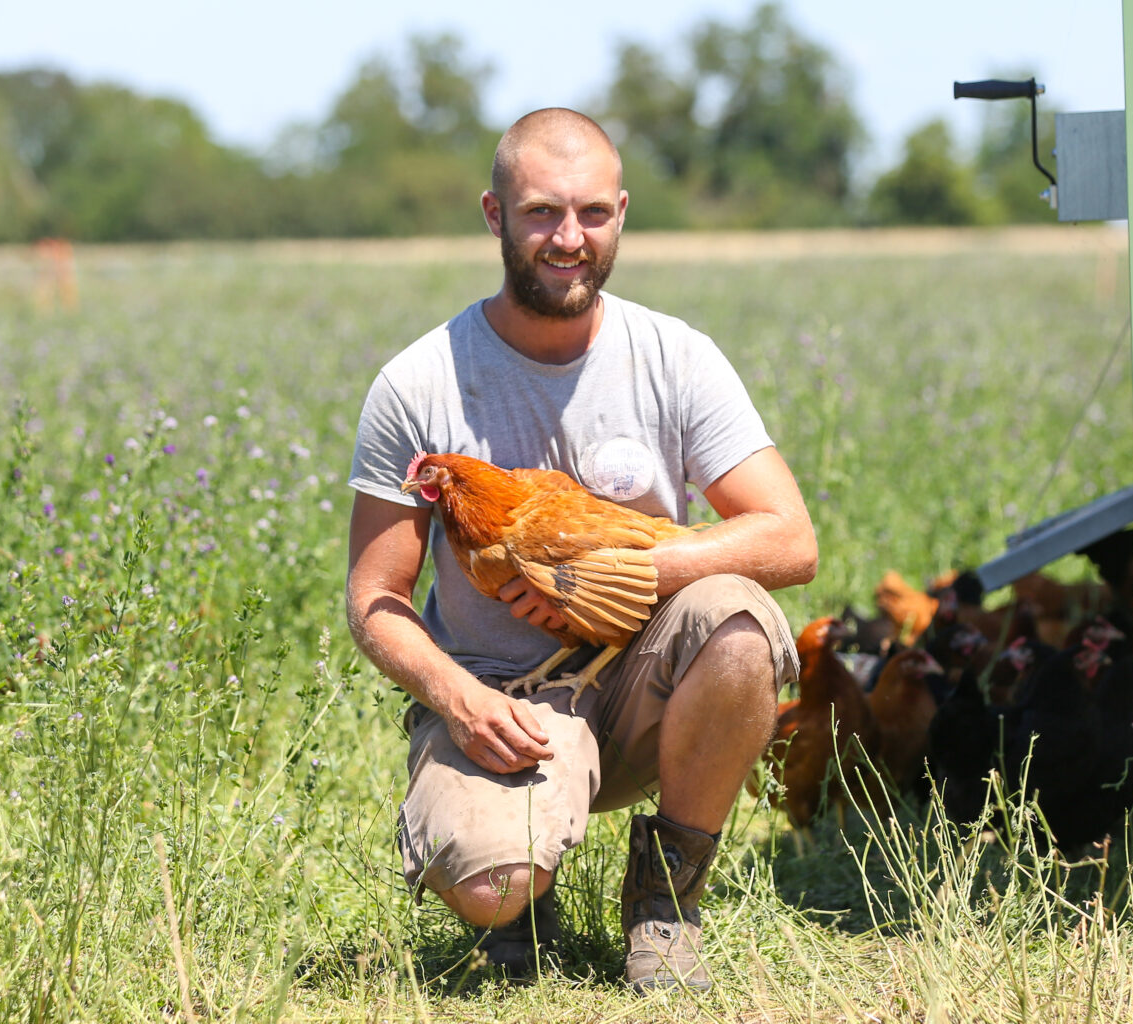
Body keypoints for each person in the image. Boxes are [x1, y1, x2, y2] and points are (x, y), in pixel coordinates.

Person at [345, 107, 817, 992]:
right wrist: (459, 698)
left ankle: (667, 900)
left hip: (645, 683)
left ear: (623, 214)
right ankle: (524, 896)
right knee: (491, 885)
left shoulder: (676, 357)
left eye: (593, 213)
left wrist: (624, 577)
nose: (569, 237)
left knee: (741, 622)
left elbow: (790, 539)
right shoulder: (418, 383)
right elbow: (374, 596)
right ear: (495, 215)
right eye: (542, 213)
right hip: (505, 700)